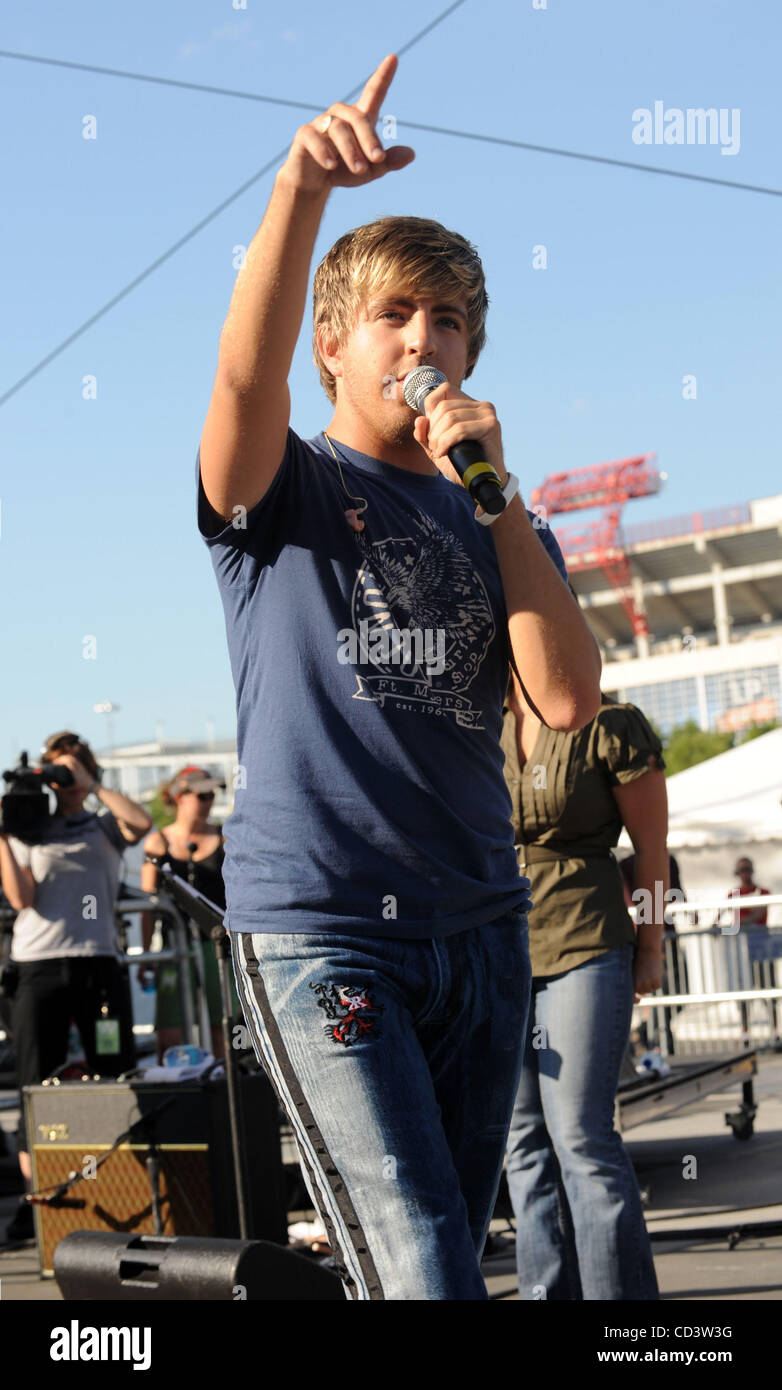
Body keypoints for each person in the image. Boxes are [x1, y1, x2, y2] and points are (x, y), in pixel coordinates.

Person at [195, 53, 602, 1300]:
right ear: (334, 345)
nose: (423, 342)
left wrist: (502, 501)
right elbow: (239, 385)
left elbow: (567, 700)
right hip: (324, 928)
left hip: (479, 926)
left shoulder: (491, 516)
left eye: (448, 321)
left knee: (440, 1262)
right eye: (393, 317)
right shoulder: (291, 485)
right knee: (423, 1264)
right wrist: (298, 193)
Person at [502, 681, 666, 1300]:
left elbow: (652, 850)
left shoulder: (612, 723)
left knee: (580, 1137)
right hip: (501, 954)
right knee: (521, 1148)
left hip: (588, 942)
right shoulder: (477, 725)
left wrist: (650, 947)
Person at [0, 731, 152, 1241]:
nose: (60, 780)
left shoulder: (104, 825)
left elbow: (142, 823)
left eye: (68, 769)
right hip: (39, 965)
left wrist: (88, 785)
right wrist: (2, 833)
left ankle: (121, 1184)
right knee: (33, 1082)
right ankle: (37, 1199)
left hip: (97, 965)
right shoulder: (30, 827)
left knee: (113, 1071)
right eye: (54, 770)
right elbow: (21, 899)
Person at [140, 765, 234, 1061]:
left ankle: (229, 1094)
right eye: (201, 796)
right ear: (180, 796)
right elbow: (147, 906)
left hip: (217, 945)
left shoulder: (224, 838)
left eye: (210, 796)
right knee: (169, 1033)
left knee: (227, 1031)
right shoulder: (159, 842)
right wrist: (145, 956)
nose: (207, 803)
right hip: (174, 947)